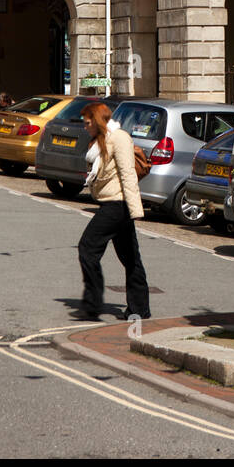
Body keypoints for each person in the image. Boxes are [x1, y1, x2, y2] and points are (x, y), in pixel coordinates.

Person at [76, 102, 151, 323]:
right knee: (131, 258)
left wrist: (135, 210)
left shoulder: (119, 138)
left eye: (87, 123)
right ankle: (139, 309)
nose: (85, 127)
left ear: (97, 121)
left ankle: (93, 304)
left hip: (118, 206)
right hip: (112, 204)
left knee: (87, 248)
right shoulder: (101, 140)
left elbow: (128, 174)